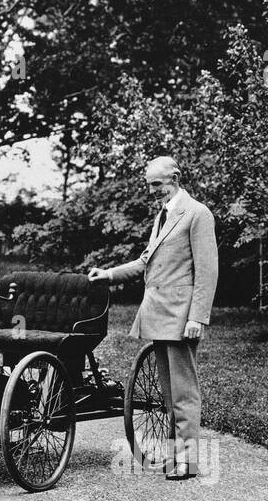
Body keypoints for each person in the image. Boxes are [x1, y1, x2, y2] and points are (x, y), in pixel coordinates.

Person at [88, 156, 218, 479]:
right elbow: (146, 261)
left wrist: (197, 317)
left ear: (175, 178)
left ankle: (187, 461)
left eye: (157, 184)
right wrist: (108, 274)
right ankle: (177, 458)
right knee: (169, 393)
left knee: (184, 392)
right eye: (149, 185)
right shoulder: (162, 216)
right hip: (159, 315)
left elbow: (207, 272)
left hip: (181, 316)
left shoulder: (198, 214)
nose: (152, 191)